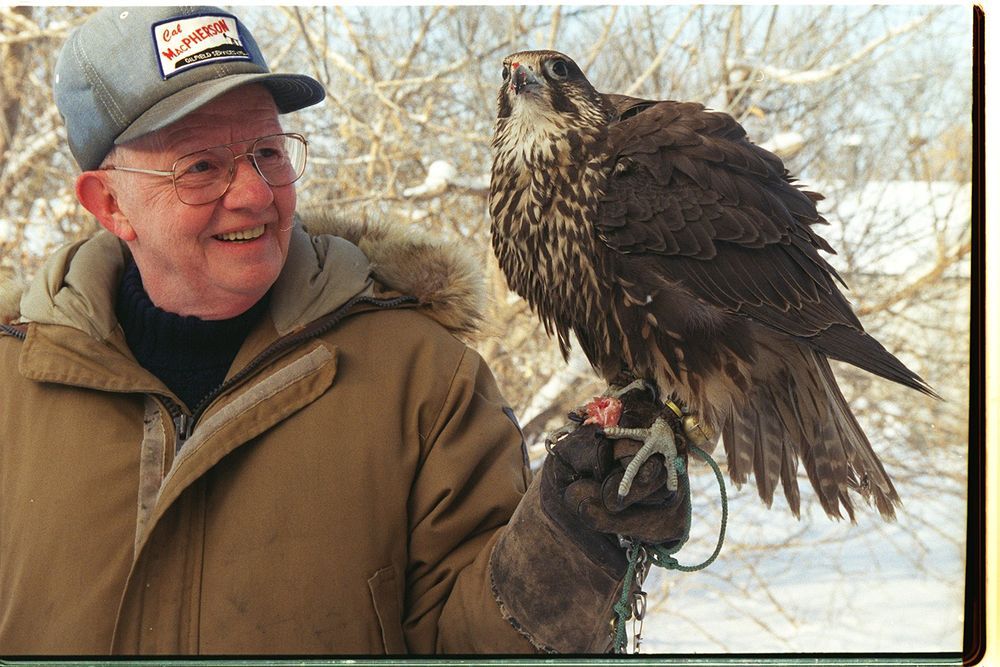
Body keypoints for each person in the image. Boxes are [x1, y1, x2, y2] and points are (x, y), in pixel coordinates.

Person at [0, 6, 687, 655]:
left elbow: (471, 641)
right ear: (109, 202)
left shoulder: (425, 378)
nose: (255, 193)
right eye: (201, 167)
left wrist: (570, 542)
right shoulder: (11, 387)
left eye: (269, 152)